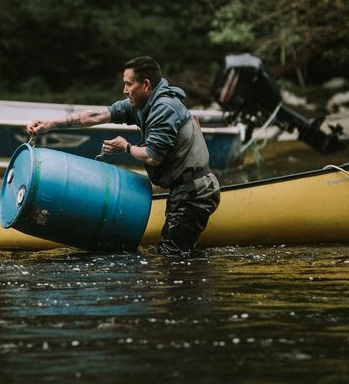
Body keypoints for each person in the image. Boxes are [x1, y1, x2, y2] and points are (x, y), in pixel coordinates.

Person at [26, 56, 221, 255]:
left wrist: (125, 147)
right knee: (175, 254)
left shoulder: (164, 108)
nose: (124, 90)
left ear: (145, 85)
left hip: (193, 192)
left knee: (171, 257)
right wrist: (51, 125)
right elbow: (96, 116)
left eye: (128, 84)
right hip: (184, 191)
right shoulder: (140, 104)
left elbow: (153, 156)